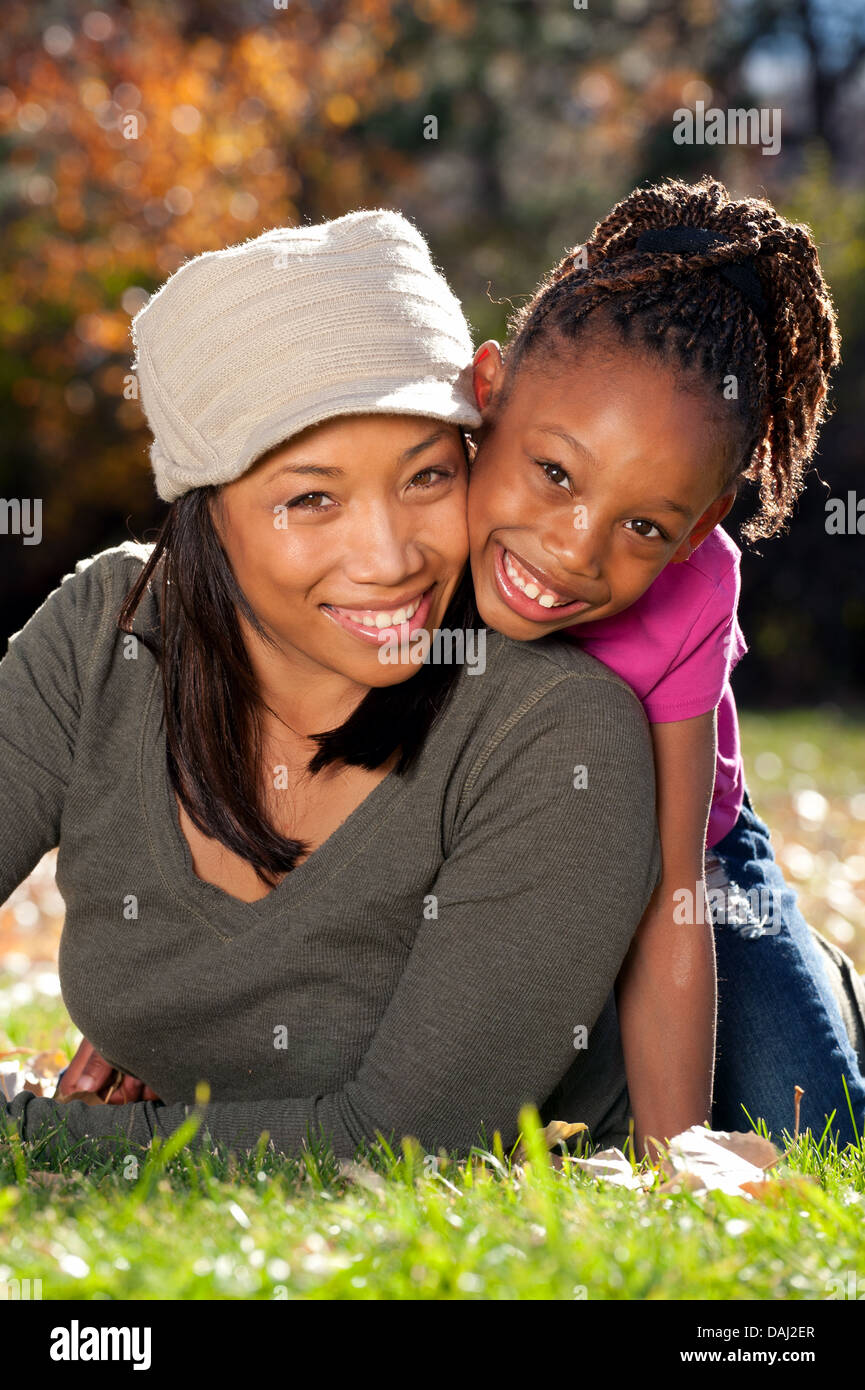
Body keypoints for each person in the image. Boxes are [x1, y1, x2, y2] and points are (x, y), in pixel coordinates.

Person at [1, 209, 660, 1164]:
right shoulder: (107, 636)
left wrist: (45, 1142)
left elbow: (397, 1150)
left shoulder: (551, 734)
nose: (390, 558)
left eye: (427, 477)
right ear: (203, 511)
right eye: (311, 497)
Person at [465, 175, 865, 1153]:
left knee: (813, 1125)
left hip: (685, 860)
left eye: (643, 525)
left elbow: (671, 889)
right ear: (485, 396)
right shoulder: (408, 495)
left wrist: (674, 1153)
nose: (571, 548)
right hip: (482, 853)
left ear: (698, 531)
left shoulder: (691, 591)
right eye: (553, 471)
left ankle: (819, 984)